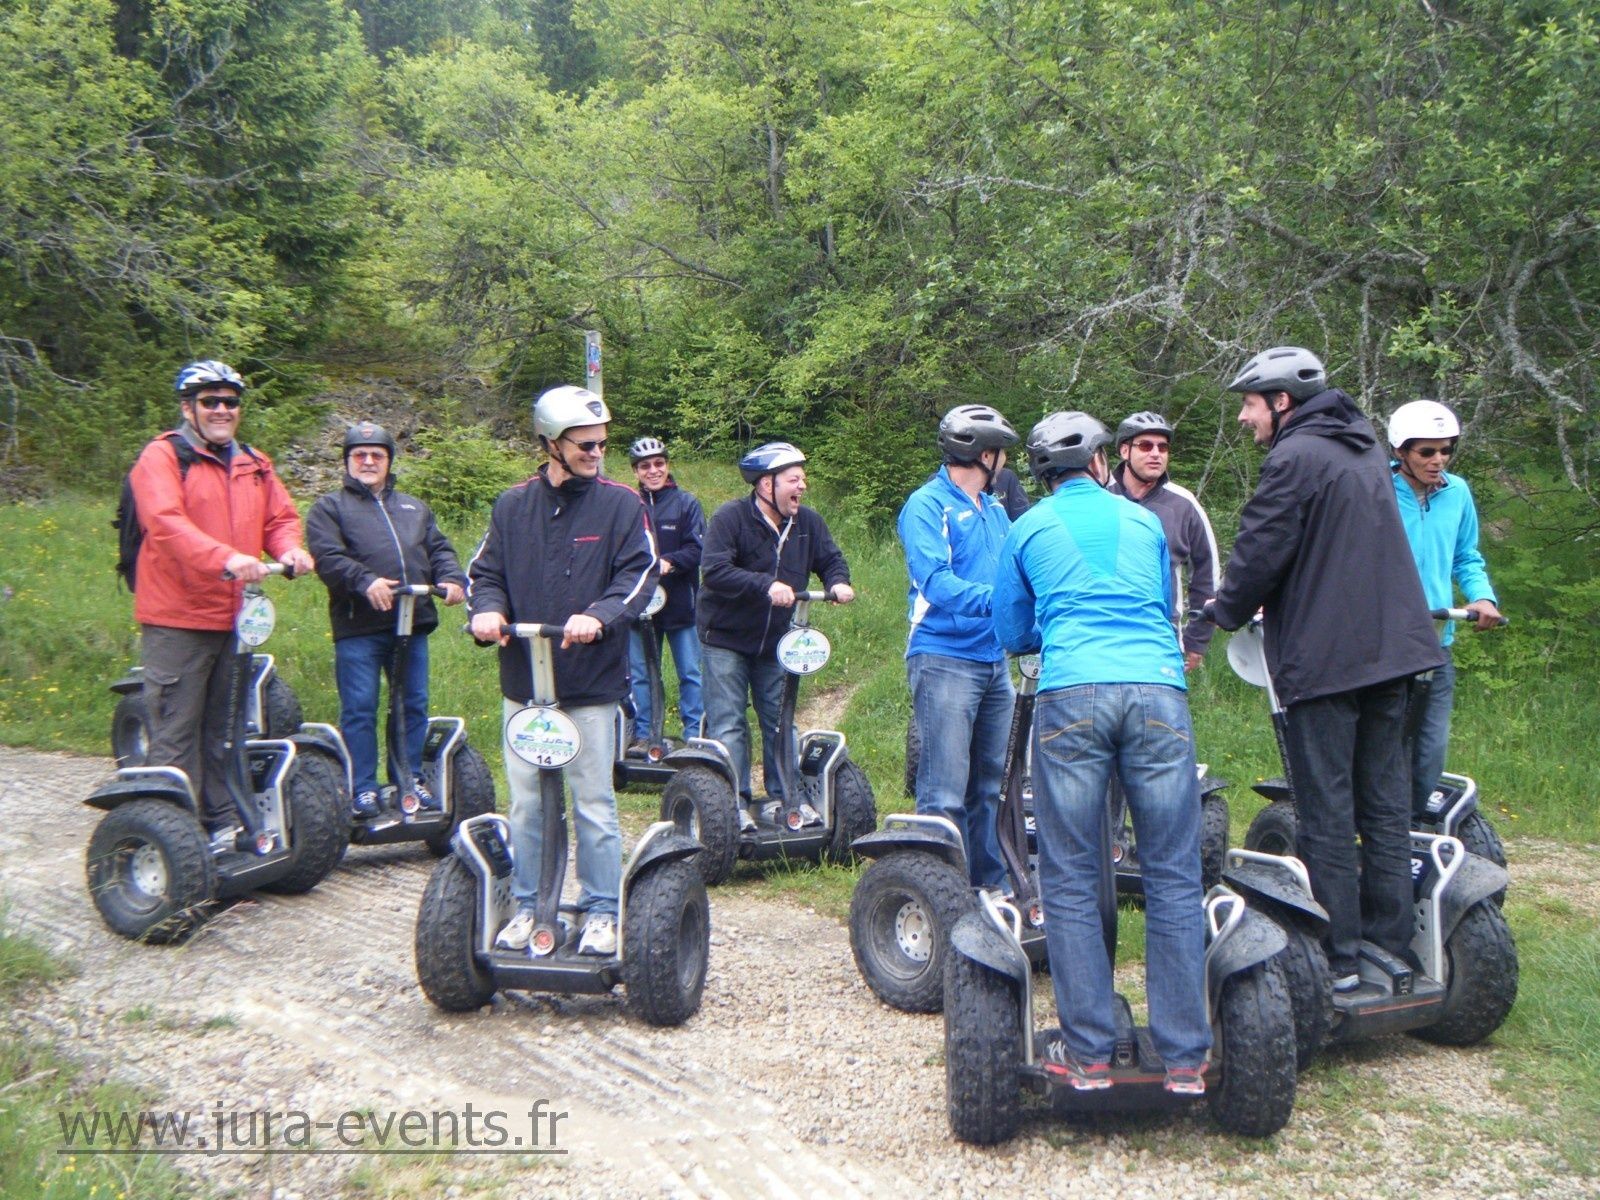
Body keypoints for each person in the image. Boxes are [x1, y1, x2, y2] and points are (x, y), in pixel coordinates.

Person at [1208, 346, 1444, 993]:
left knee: (1327, 809)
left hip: (1329, 660)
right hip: (1394, 654)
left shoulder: (1295, 456)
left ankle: (1338, 957)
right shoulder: (1361, 446)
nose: (1245, 418)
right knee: (1385, 804)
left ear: (1281, 401)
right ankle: (1390, 944)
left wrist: (1224, 609)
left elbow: (1263, 547)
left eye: (1250, 405)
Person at [993, 412, 1211, 1096]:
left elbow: (1011, 629)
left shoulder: (1027, 527)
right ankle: (1184, 1056)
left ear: (1042, 475)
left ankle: (1088, 1053)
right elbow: (1162, 605)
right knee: (1173, 872)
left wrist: (1052, 628)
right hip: (1158, 691)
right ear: (1098, 463)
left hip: (1073, 695)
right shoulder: (1145, 523)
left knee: (1070, 873)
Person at [468, 385, 658, 956]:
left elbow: (640, 574)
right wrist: (487, 611)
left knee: (593, 802)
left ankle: (601, 910)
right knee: (527, 801)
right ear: (551, 444)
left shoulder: (621, 505)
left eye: (602, 443)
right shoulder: (513, 506)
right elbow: (485, 572)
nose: (597, 453)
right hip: (525, 681)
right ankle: (528, 905)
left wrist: (599, 616)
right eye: (585, 445)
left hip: (590, 681)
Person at [127, 360, 314, 841]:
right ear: (188, 408)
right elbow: (166, 524)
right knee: (176, 733)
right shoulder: (162, 457)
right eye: (210, 401)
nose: (222, 410)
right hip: (178, 619)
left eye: (230, 402)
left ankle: (221, 825)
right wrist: (226, 558)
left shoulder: (253, 461)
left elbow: (279, 518)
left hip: (234, 619)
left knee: (225, 730)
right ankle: (172, 837)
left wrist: (289, 549)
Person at [306, 422, 467, 818]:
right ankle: (362, 788)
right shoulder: (330, 508)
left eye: (376, 455)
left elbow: (439, 549)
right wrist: (365, 581)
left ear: (389, 461)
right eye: (359, 455)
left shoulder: (414, 508)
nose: (368, 461)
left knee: (413, 704)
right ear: (347, 461)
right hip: (359, 626)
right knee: (360, 707)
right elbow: (328, 557)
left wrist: (451, 578)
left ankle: (409, 781)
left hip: (412, 623)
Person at [697, 442, 854, 826]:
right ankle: (732, 807)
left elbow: (830, 559)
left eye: (803, 479)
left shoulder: (808, 523)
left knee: (781, 721)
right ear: (766, 485)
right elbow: (714, 571)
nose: (802, 486)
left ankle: (786, 800)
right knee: (729, 723)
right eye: (793, 479)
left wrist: (837, 581)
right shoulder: (731, 518)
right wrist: (765, 584)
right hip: (725, 638)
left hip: (775, 642)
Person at [898, 404, 1018, 888]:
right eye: (1002, 452)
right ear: (985, 455)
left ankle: (989, 887)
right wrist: (1001, 603)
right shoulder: (927, 505)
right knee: (944, 789)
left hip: (993, 660)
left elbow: (1016, 574)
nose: (1006, 461)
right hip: (944, 657)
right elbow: (936, 582)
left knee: (990, 787)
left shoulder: (995, 510)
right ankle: (939, 893)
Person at [1387, 400, 1504, 813]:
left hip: (1436, 642)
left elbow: (1466, 556)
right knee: (1385, 748)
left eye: (1446, 450)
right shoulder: (1377, 491)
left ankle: (1409, 828)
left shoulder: (1457, 493)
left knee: (1429, 752)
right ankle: (1378, 829)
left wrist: (1483, 596)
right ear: (1401, 451)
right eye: (1427, 452)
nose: (1438, 460)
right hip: (1384, 643)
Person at [1107, 411, 1220, 671]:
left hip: (1162, 643)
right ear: (1124, 450)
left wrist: (1197, 638)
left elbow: (1206, 574)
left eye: (1163, 447)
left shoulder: (1183, 504)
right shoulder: (1099, 497)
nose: (1156, 454)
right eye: (1146, 446)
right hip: (1101, 638)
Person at [625, 436, 706, 751]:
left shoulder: (686, 503)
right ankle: (644, 735)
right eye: (645, 466)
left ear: (667, 465)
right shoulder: (628, 505)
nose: (653, 471)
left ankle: (694, 735)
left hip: (680, 604)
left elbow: (698, 549)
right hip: (640, 605)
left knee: (690, 672)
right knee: (641, 674)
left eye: (659, 463)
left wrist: (669, 562)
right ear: (636, 471)